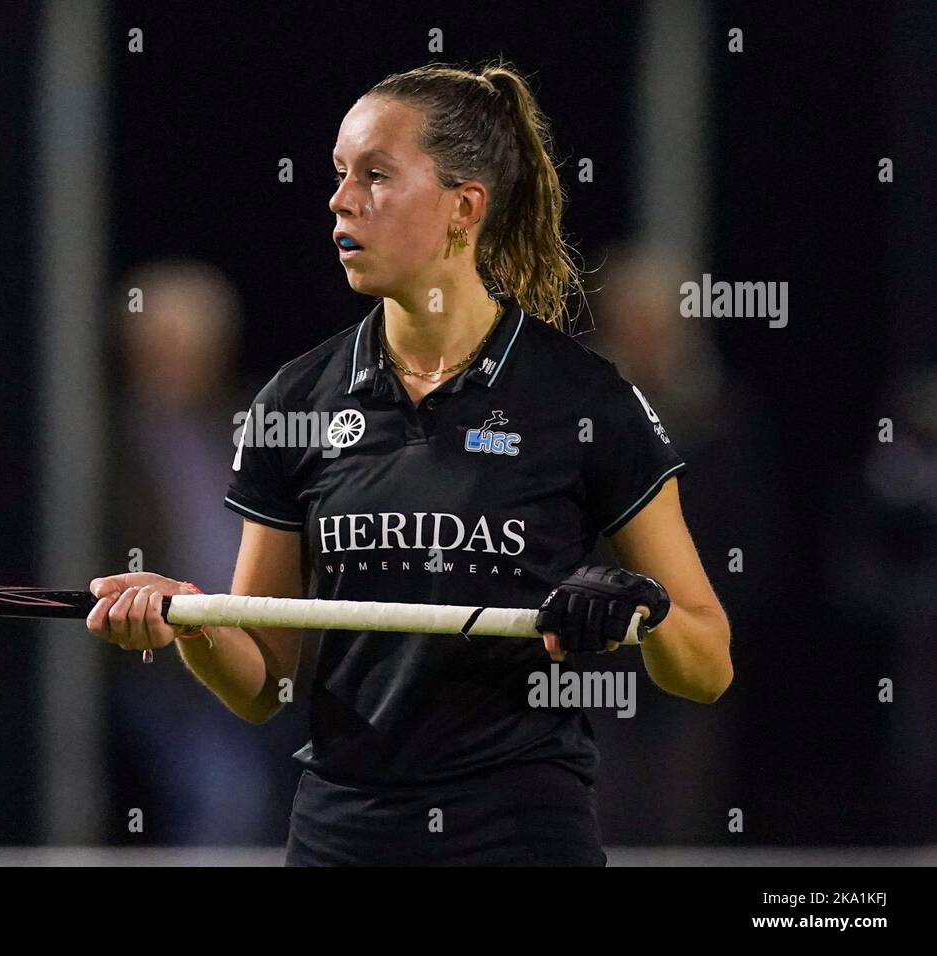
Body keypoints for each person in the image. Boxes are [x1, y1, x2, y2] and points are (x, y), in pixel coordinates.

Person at [86, 60, 732, 866]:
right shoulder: (296, 399)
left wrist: (646, 610)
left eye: (377, 175)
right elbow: (260, 683)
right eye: (338, 175)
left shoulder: (584, 398)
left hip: (521, 839)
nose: (340, 198)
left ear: (465, 208)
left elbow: (706, 665)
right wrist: (185, 619)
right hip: (343, 838)